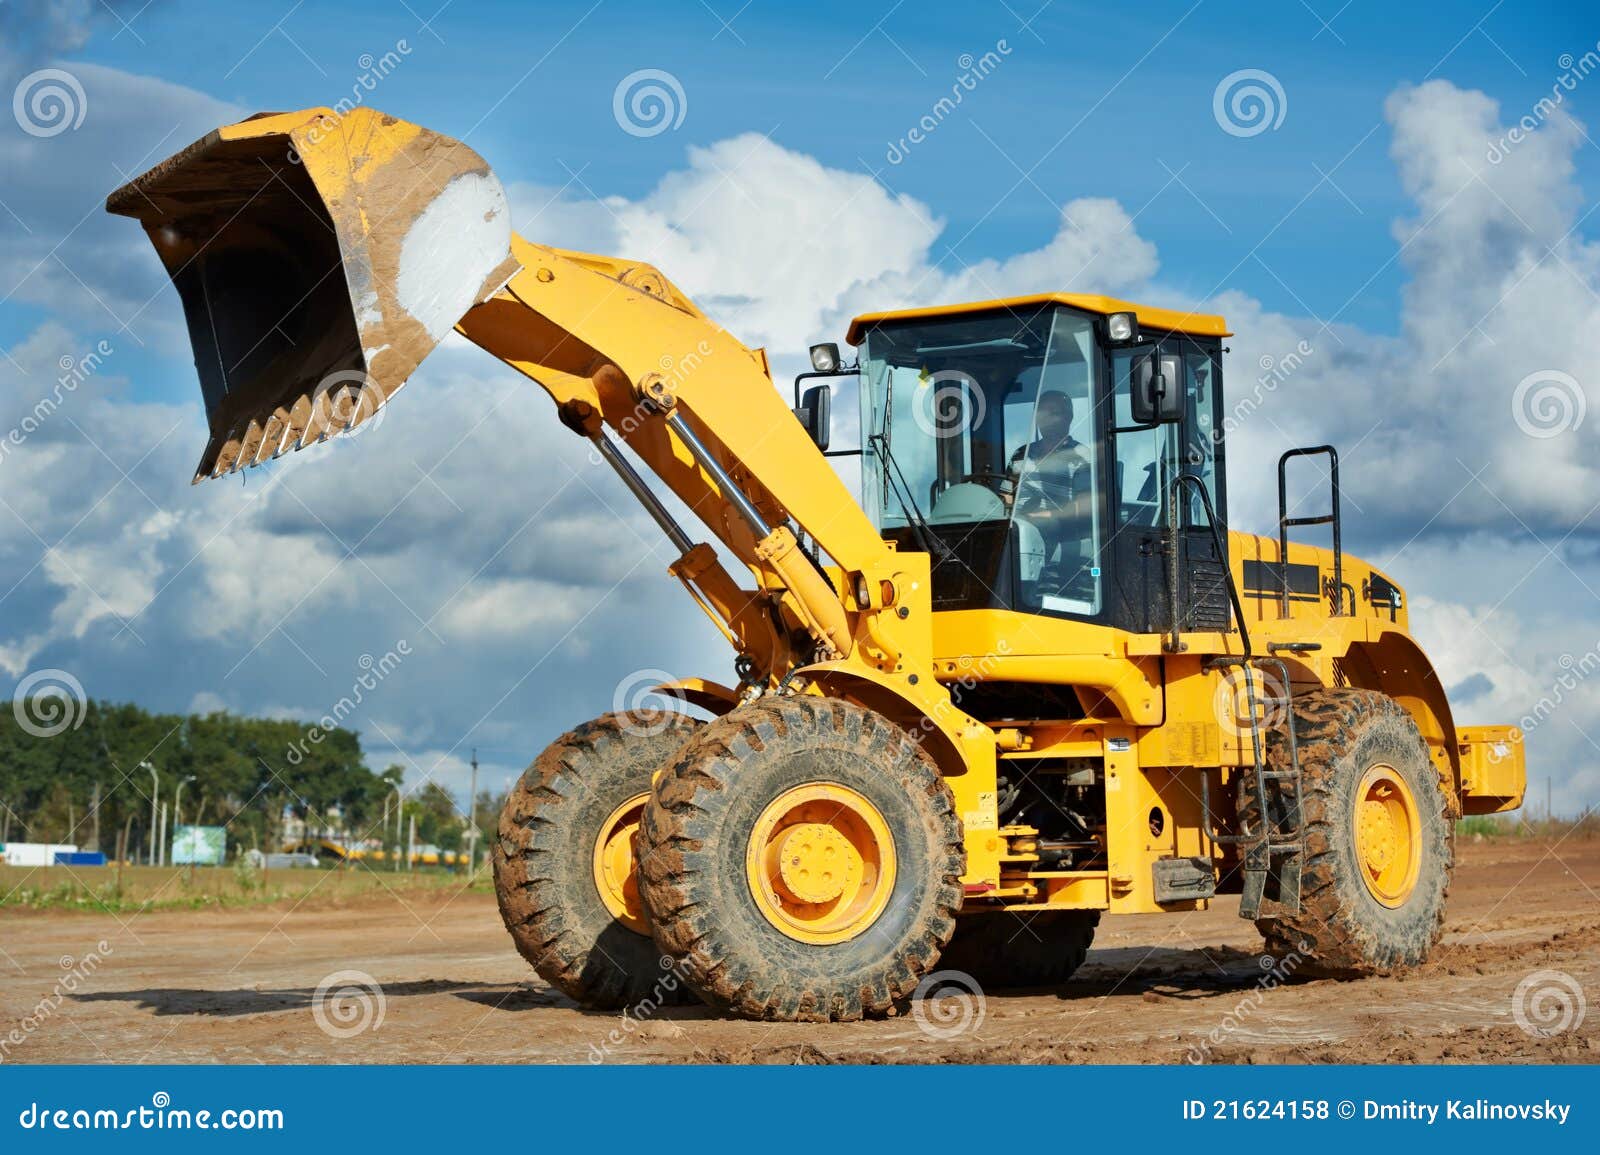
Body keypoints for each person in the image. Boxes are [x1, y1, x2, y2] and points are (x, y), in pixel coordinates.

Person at [1008, 390, 1096, 602]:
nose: (1047, 419)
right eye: (1042, 413)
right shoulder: (1021, 454)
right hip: (1021, 527)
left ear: (1068, 418)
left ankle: (1034, 597)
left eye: (1054, 413)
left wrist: (1048, 515)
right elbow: (1006, 496)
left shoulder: (1081, 456)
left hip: (1063, 532)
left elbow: (1084, 508)